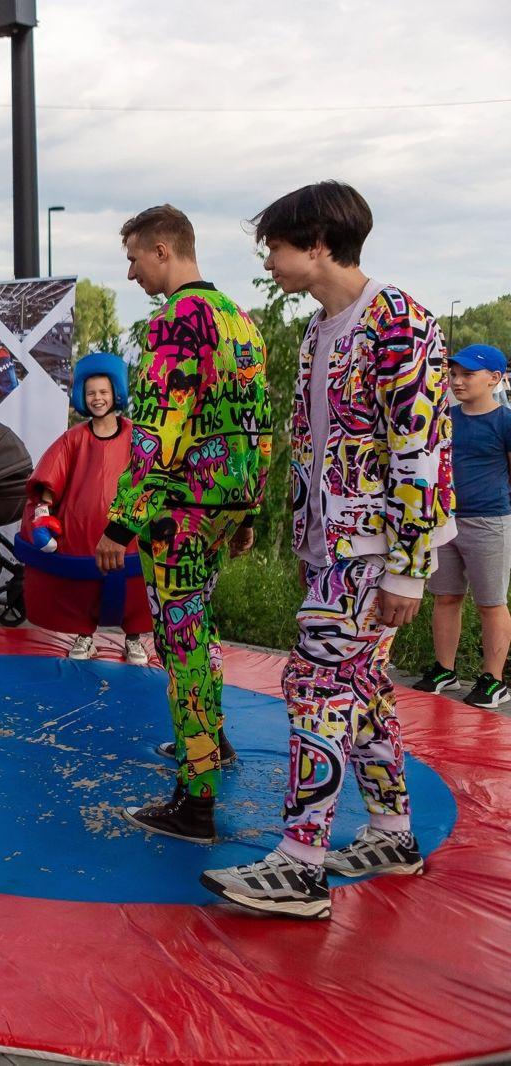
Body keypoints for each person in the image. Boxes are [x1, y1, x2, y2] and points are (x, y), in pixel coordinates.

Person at [203, 181, 450, 918]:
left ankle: (302, 865)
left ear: (316, 243)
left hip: (372, 550)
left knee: (313, 686)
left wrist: (411, 566)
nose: (268, 262)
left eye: (275, 247)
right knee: (362, 691)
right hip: (329, 544)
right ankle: (392, 833)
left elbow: (421, 448)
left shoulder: (397, 320)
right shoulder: (318, 329)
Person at [95, 204, 270, 845]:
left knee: (184, 644)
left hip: (181, 512)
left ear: (164, 250)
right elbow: (256, 421)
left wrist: (122, 523)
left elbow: (160, 433)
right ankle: (214, 745)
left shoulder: (175, 321)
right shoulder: (240, 321)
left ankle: (194, 802)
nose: (133, 273)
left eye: (136, 258)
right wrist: (250, 509)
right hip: (225, 504)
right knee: (194, 629)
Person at [21, 353, 153, 662]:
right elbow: (50, 478)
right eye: (92, 392)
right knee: (83, 589)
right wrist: (43, 514)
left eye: (104, 392)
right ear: (82, 394)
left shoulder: (136, 436)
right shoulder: (73, 439)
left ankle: (133, 638)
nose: (98, 399)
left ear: (115, 393)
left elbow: (152, 477)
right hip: (83, 538)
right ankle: (84, 635)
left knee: (134, 590)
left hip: (128, 535)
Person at [414, 343, 511, 709]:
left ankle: (494, 679)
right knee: (446, 597)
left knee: (490, 602)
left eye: (467, 374)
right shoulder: (445, 420)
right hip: (446, 521)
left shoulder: (505, 422)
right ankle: (444, 669)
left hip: (490, 521)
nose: (457, 381)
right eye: (453, 374)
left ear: (494, 379)